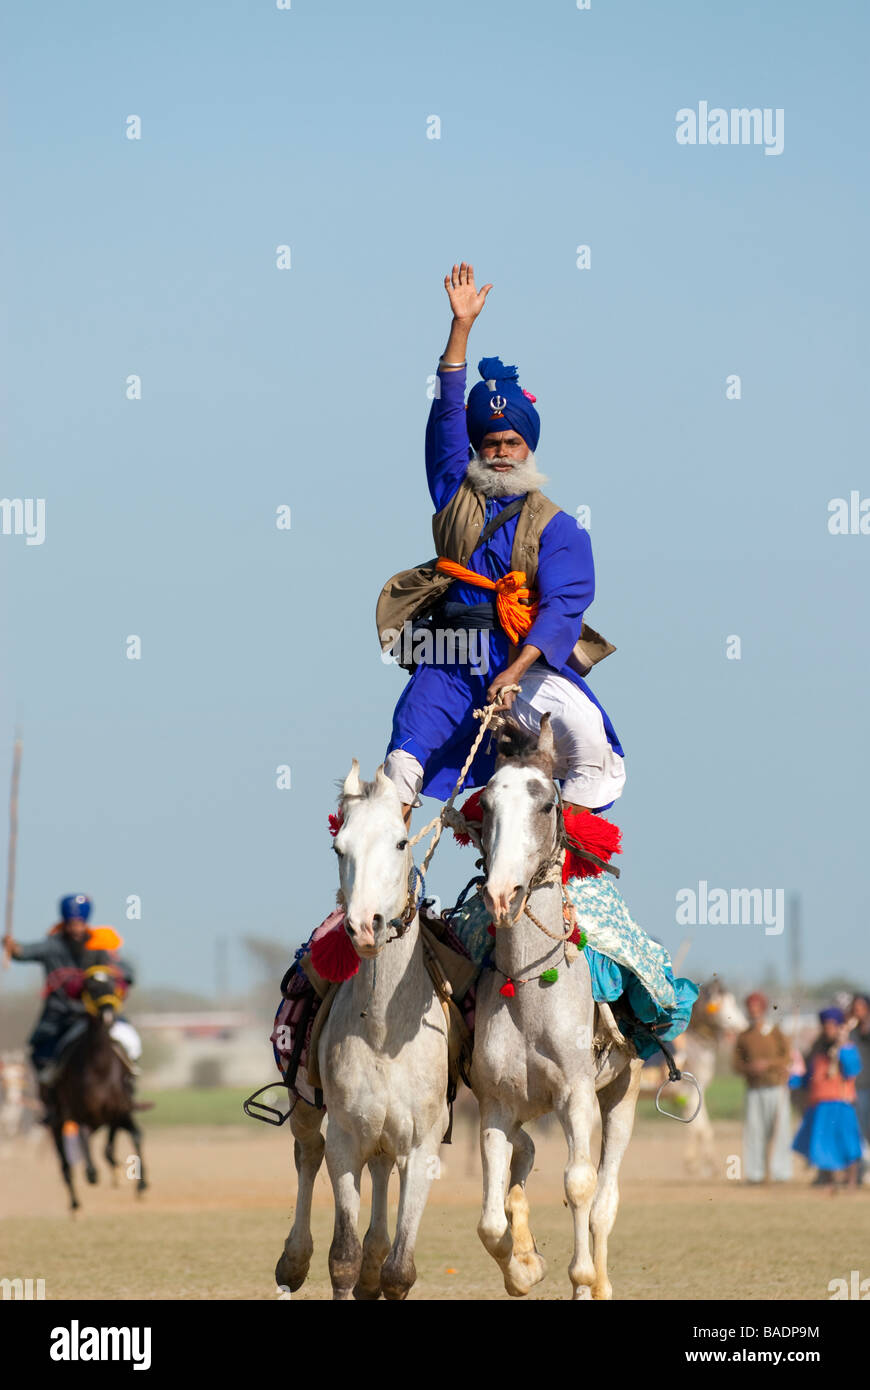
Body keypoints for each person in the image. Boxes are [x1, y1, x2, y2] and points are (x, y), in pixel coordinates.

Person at [379, 262, 625, 826]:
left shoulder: (560, 528)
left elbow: (563, 609)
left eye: (512, 442)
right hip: (449, 656)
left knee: (592, 745)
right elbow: (445, 410)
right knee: (398, 768)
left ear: (527, 446)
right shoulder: (452, 490)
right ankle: (381, 900)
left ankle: (569, 873)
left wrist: (516, 673)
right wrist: (460, 327)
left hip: (522, 661)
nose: (500, 452)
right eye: (490, 442)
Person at [2, 894, 140, 1089]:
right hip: (60, 1012)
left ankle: (128, 1080)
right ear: (65, 921)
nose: (75, 927)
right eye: (71, 923)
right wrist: (12, 948)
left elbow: (126, 970)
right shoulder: (52, 946)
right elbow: (24, 952)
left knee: (127, 1038)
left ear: (85, 922)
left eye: (79, 923)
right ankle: (48, 1087)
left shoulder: (100, 945)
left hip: (95, 1011)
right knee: (39, 1046)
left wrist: (118, 977)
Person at [790, 1007, 863, 1189]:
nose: (828, 1029)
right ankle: (827, 1179)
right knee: (823, 1144)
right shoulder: (817, 1051)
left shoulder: (846, 1047)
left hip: (841, 1101)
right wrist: (794, 1078)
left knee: (848, 1143)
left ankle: (852, 1180)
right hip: (820, 1104)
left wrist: (844, 1048)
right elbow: (808, 1077)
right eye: (826, 1026)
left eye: (832, 1026)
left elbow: (853, 1069)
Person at [732, 991, 792, 1183]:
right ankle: (755, 1173)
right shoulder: (744, 1036)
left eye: (757, 1008)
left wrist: (769, 1064)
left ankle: (780, 1172)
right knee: (754, 1131)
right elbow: (736, 1064)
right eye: (751, 1008)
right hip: (754, 1088)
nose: (753, 1012)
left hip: (776, 1087)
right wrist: (750, 1068)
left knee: (780, 1131)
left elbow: (787, 1057)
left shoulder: (775, 1032)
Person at [849, 993, 870, 1183]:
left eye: (861, 1007)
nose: (858, 1011)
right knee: (861, 1131)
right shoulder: (851, 1032)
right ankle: (864, 1169)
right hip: (859, 1086)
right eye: (855, 1008)